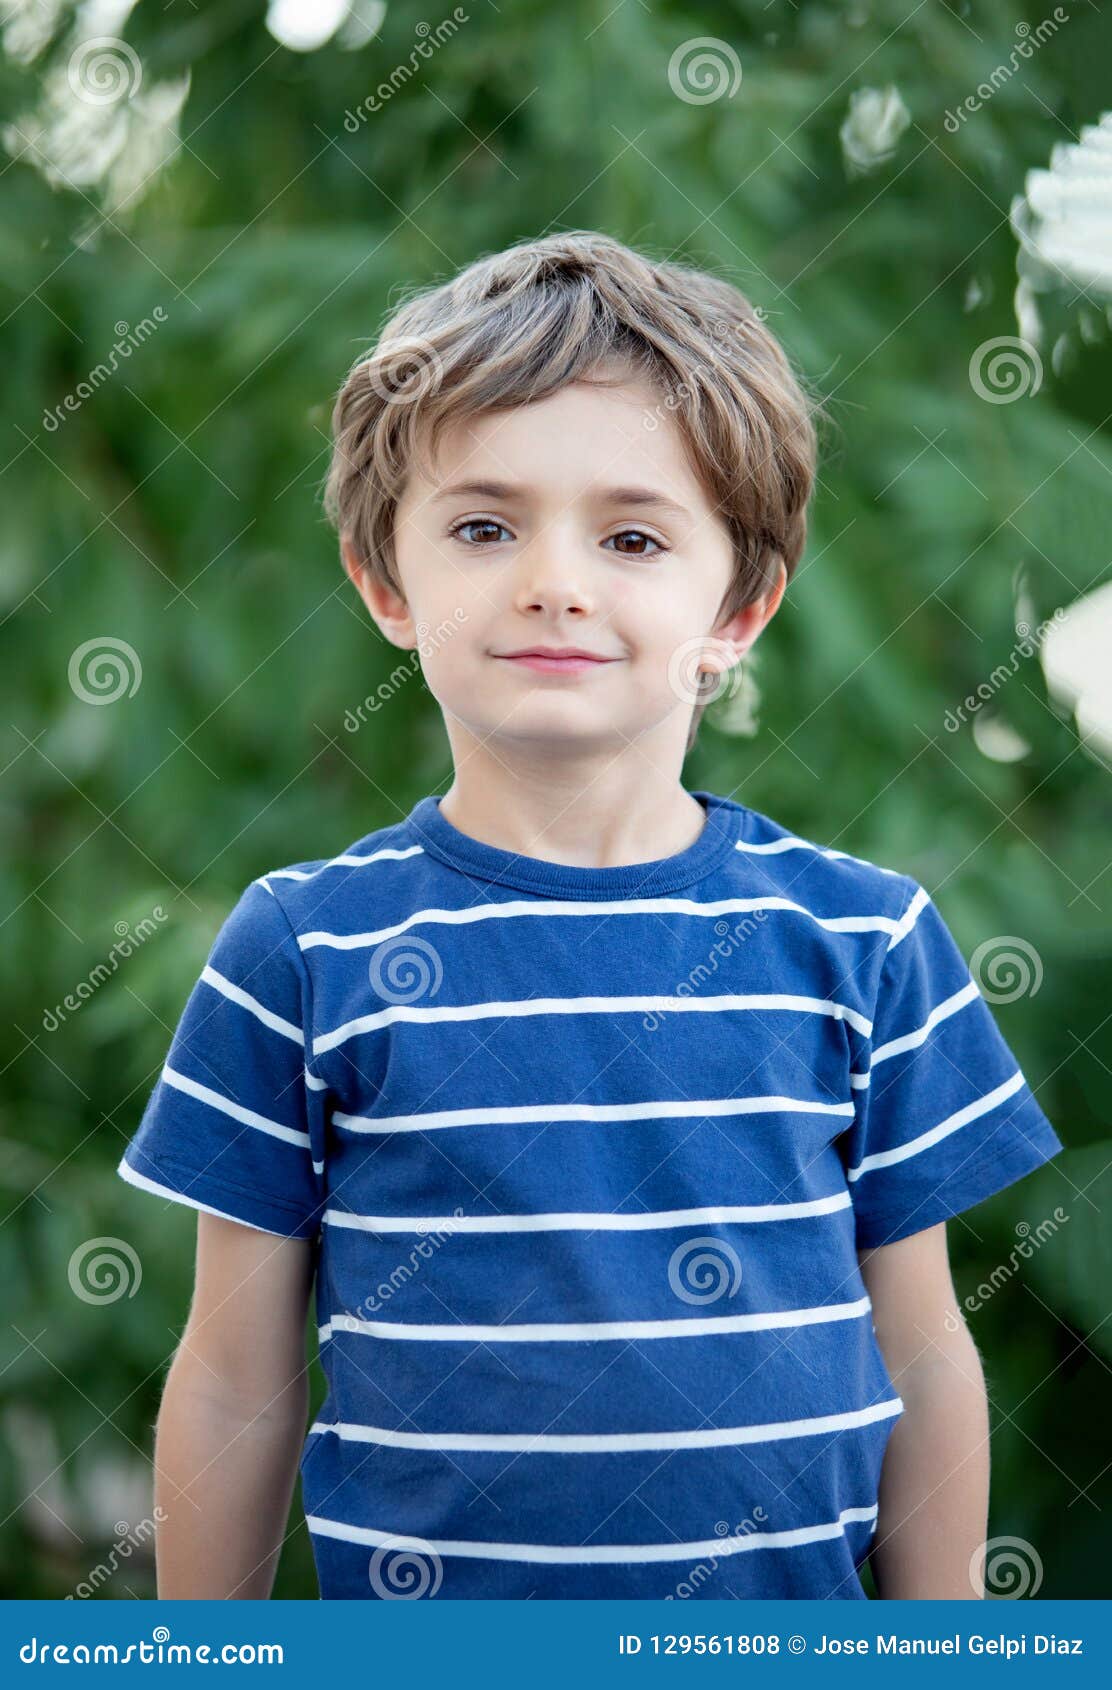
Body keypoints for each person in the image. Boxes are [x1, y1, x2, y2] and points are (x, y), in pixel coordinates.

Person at [117, 230, 1063, 1601]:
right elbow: (231, 1376)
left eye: (631, 536)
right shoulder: (303, 952)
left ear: (740, 607)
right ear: (386, 582)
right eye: (483, 527)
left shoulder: (864, 943)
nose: (554, 582)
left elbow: (921, 1348)